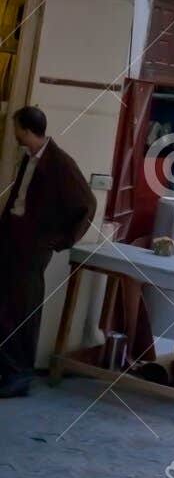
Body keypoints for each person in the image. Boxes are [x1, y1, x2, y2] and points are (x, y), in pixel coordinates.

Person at [0, 107, 95, 398]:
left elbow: (86, 204)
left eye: (16, 127)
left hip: (32, 247)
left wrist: (61, 240)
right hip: (13, 241)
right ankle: (9, 371)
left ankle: (20, 376)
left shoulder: (59, 163)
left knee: (23, 310)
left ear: (26, 130)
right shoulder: (31, 159)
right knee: (6, 309)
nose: (13, 132)